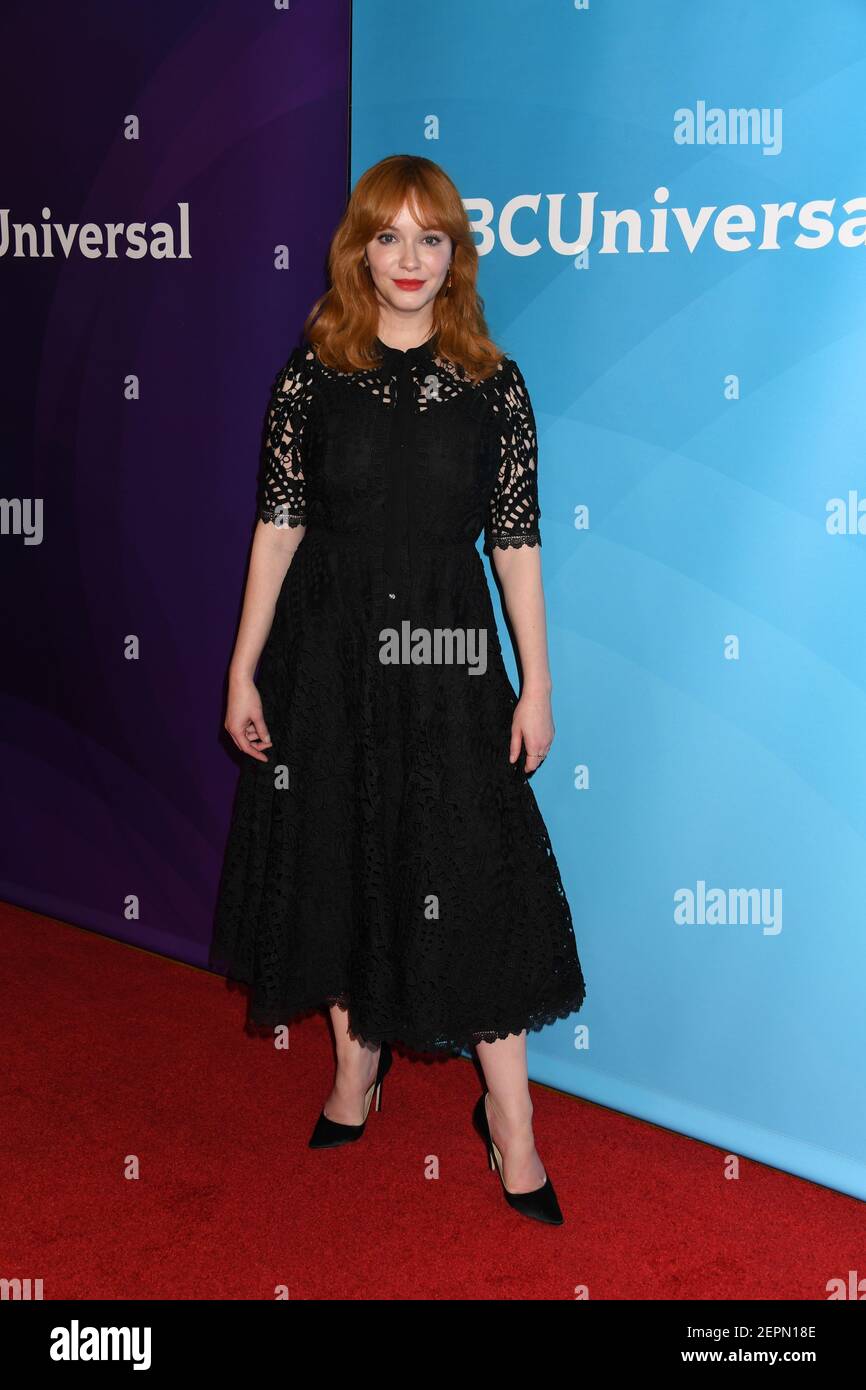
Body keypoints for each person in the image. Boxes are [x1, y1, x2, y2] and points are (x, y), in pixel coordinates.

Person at [210, 154, 586, 1225]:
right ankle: (352, 1066)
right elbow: (277, 526)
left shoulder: (492, 385)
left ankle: (508, 1123)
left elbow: (514, 545)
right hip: (323, 654)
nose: (409, 259)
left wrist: (535, 684)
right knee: (332, 849)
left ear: (455, 253)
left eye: (430, 237)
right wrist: (242, 664)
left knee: (466, 873)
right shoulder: (312, 373)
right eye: (388, 236)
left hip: (447, 658)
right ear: (357, 249)